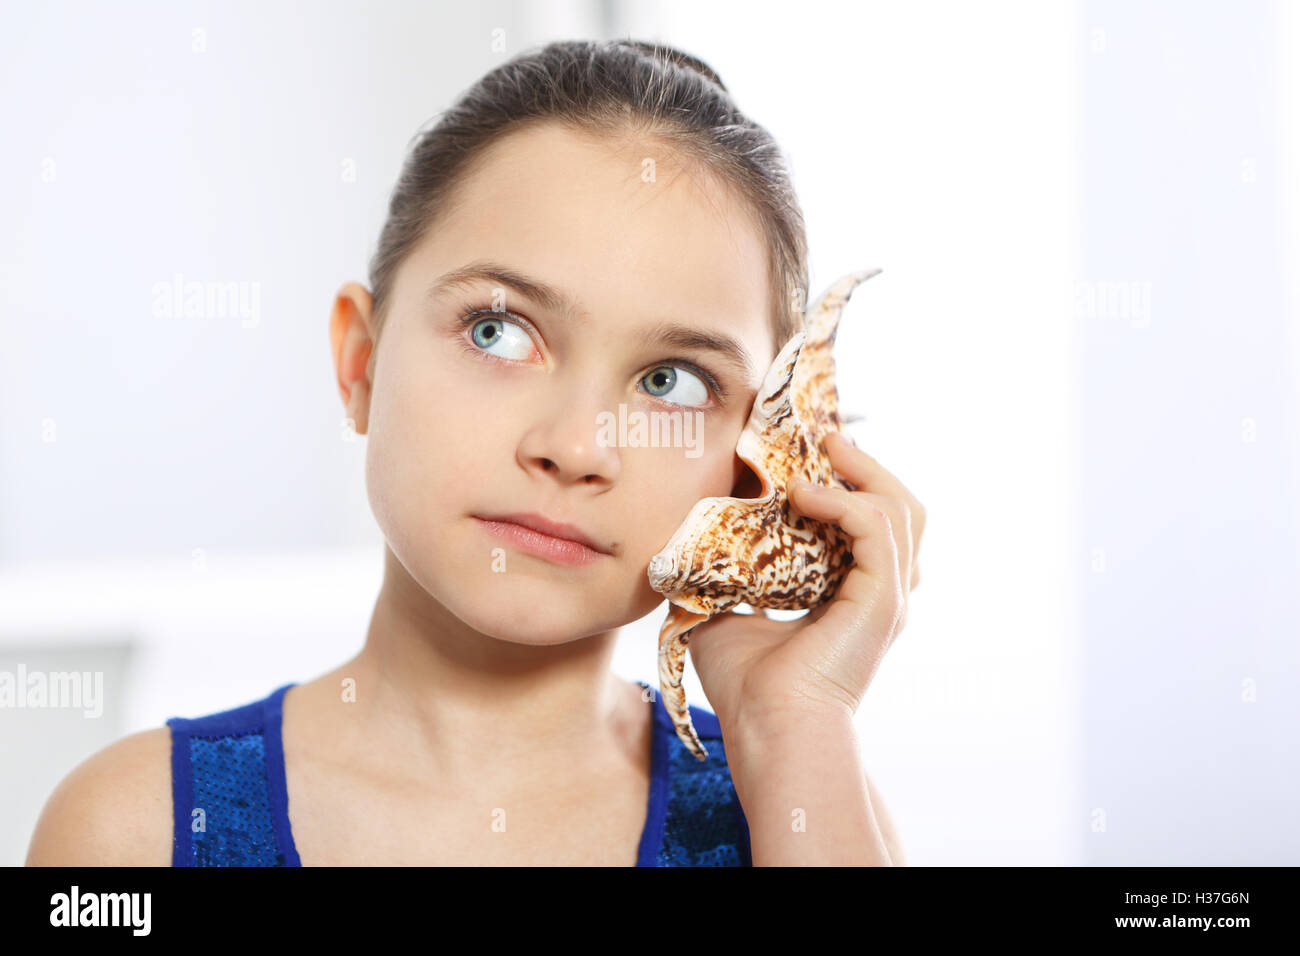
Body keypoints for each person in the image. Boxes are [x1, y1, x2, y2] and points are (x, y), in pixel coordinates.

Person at [25, 38, 922, 866]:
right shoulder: (134, 830)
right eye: (498, 331)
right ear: (362, 363)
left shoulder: (799, 804)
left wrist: (791, 726)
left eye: (672, 382)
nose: (575, 447)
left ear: (754, 466)